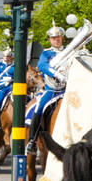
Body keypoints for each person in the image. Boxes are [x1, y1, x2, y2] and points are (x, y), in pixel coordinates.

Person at [25, 24, 68, 155]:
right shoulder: (46, 53)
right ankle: (32, 141)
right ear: (49, 40)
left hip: (69, 89)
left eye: (58, 37)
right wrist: (57, 74)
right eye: (54, 38)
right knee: (39, 108)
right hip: (52, 90)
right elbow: (42, 66)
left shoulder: (69, 51)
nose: (57, 40)